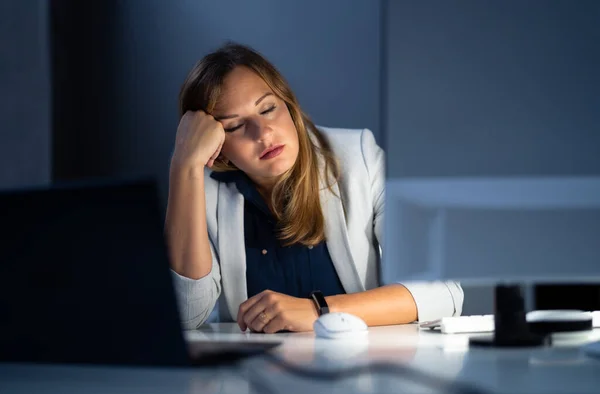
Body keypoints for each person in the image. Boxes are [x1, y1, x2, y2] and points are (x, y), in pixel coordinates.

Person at [165, 42, 463, 333]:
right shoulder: (202, 189)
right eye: (234, 126)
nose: (264, 133)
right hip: (255, 375)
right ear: (218, 147)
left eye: (268, 109)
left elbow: (444, 292)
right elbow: (186, 315)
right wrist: (184, 165)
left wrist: (317, 310)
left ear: (289, 105)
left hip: (359, 369)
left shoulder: (360, 158)